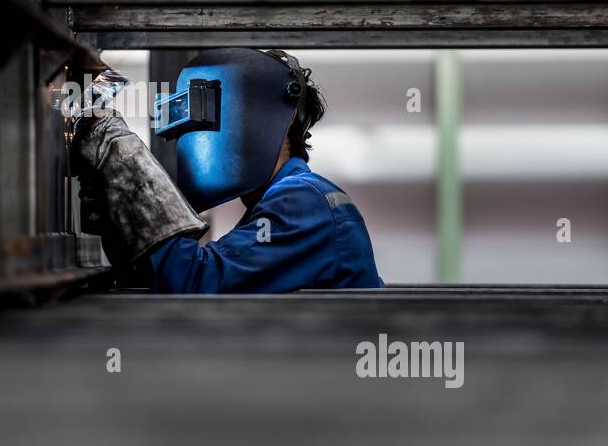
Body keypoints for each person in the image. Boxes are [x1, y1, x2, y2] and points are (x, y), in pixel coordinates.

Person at [73, 47, 384, 293]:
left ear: (283, 118)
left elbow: (194, 280)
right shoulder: (280, 204)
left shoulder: (304, 201)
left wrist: (115, 149)